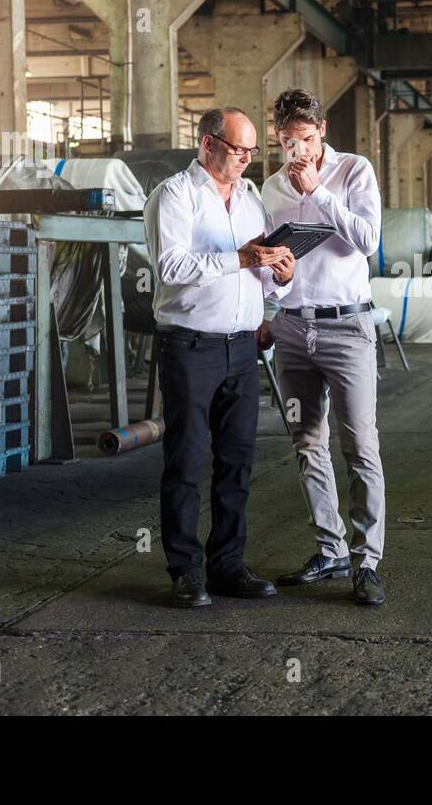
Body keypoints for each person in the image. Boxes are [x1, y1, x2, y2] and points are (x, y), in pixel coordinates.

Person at [143, 106, 294, 607]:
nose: (247, 160)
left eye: (253, 151)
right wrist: (242, 257)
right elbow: (172, 266)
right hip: (189, 345)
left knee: (237, 461)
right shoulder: (175, 195)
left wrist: (278, 275)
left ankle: (228, 564)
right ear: (207, 144)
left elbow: (255, 268)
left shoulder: (251, 200)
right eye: (238, 150)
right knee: (186, 460)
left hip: (241, 346)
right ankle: (184, 571)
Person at [258, 88, 389, 606]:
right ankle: (330, 548)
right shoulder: (268, 188)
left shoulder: (354, 171)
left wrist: (319, 192)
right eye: (289, 143)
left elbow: (369, 239)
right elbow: (272, 268)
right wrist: (276, 295)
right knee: (307, 443)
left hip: (347, 328)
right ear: (278, 138)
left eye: (307, 141)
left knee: (360, 444)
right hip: (292, 329)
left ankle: (368, 561)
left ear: (323, 131)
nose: (299, 153)